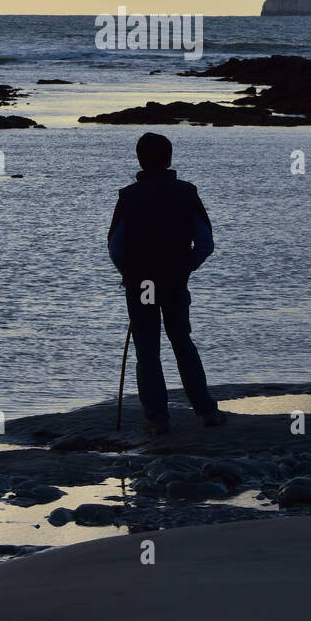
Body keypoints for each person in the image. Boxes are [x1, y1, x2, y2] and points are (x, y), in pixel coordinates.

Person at [107, 132, 225, 435]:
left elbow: (115, 246)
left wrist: (129, 273)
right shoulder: (187, 193)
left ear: (139, 160)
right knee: (182, 342)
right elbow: (205, 243)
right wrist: (186, 268)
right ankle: (207, 411)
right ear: (169, 159)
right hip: (173, 280)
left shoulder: (129, 196)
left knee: (147, 349)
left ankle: (157, 420)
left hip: (142, 283)